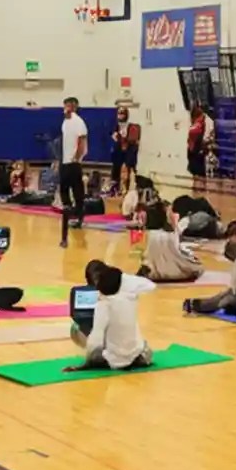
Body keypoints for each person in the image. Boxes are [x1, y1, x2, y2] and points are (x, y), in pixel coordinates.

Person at [65, 265, 155, 373]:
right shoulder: (131, 296)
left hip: (114, 360)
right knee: (143, 346)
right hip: (137, 355)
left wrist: (87, 362)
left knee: (79, 332)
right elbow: (150, 286)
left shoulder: (103, 305)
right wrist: (123, 278)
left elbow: (95, 339)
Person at [137, 200, 205, 283]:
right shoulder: (172, 234)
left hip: (155, 275)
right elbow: (178, 253)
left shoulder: (150, 235)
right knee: (196, 264)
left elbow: (146, 256)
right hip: (177, 273)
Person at [60, 97, 89, 232]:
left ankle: (79, 217)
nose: (64, 108)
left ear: (73, 107)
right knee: (63, 189)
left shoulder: (79, 122)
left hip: (73, 162)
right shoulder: (65, 122)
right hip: (65, 161)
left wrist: (76, 158)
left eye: (67, 106)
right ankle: (68, 213)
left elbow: (82, 142)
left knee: (77, 191)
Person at [111, 106, 141, 194]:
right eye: (119, 114)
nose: (120, 116)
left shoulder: (132, 127)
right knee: (116, 169)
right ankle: (116, 189)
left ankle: (129, 189)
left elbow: (133, 140)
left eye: (122, 114)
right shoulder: (116, 126)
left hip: (129, 151)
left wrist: (123, 139)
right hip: (119, 151)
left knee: (129, 169)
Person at [186, 106, 206, 189]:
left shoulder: (198, 125)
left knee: (197, 171)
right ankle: (199, 186)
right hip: (195, 149)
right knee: (197, 170)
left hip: (195, 149)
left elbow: (192, 132)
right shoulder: (199, 123)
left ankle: (198, 186)